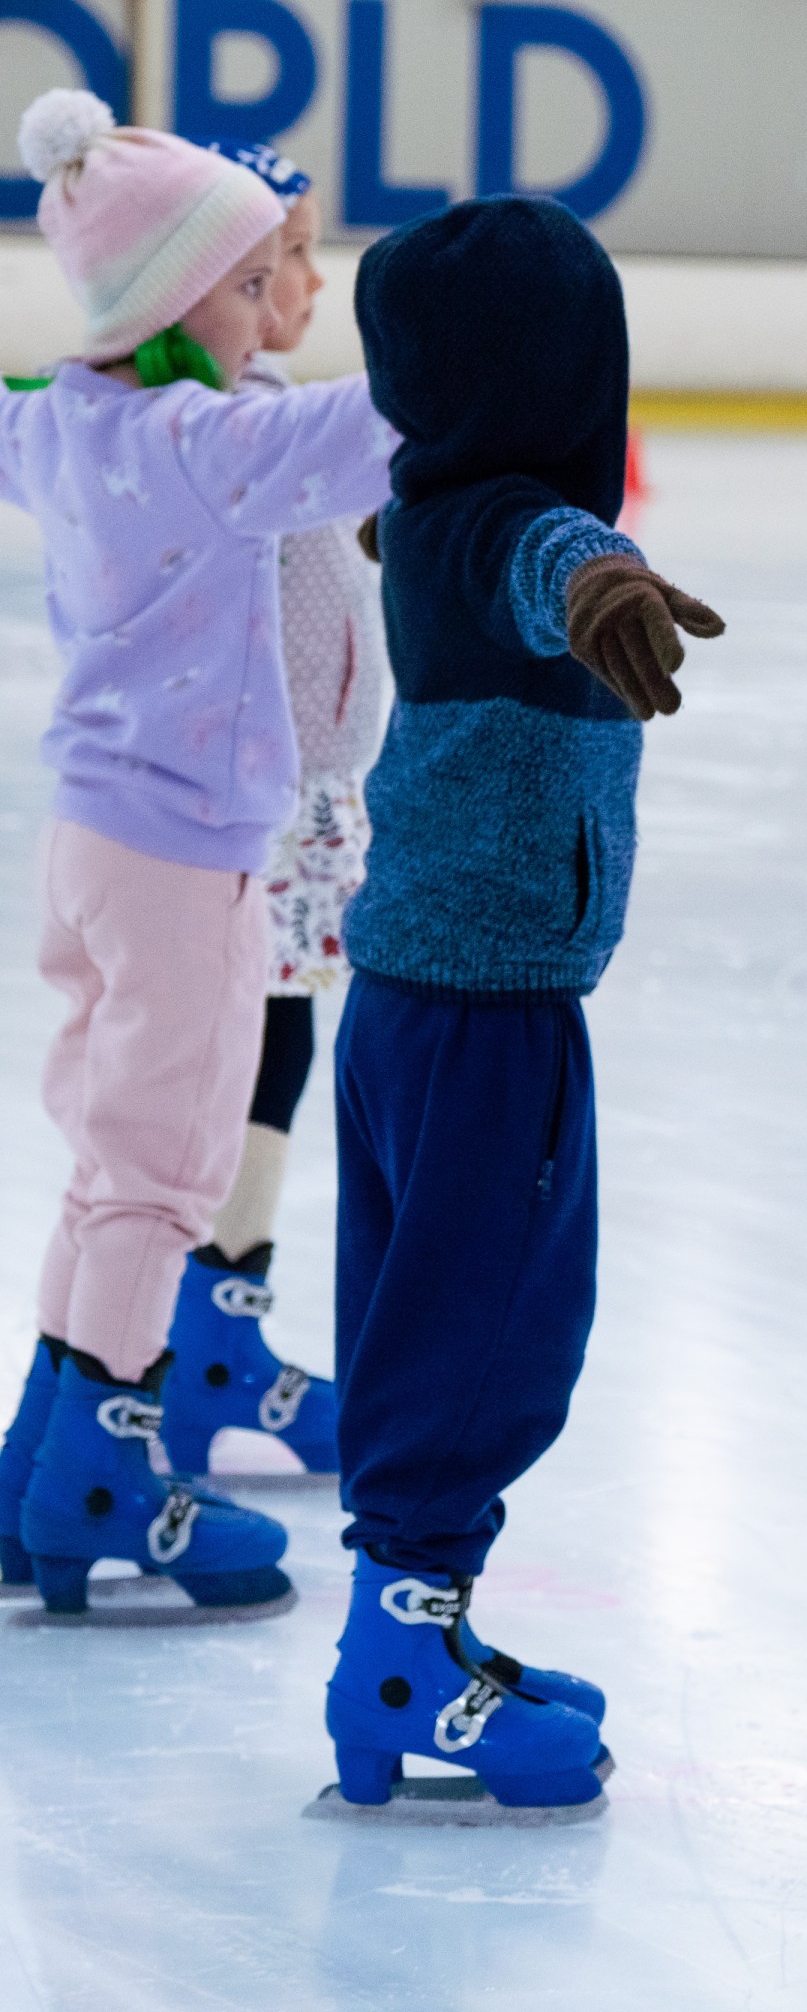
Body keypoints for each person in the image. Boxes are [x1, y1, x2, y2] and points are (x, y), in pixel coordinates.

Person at [318, 196, 725, 1819]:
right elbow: (538, 556)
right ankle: (407, 1656)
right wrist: (603, 582)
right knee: (494, 1335)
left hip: (416, 995)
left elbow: (481, 540)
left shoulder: (425, 506)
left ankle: (411, 1633)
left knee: (421, 1319)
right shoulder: (502, 525)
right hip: (486, 1006)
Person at [0, 89, 394, 1618]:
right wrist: (496, 331)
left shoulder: (63, 423)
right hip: (183, 861)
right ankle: (102, 1477)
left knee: (113, 1164)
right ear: (173, 304)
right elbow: (365, 431)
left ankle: (44, 1444)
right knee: (167, 1168)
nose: (269, 303)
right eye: (249, 280)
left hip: (92, 840)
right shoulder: (200, 442)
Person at [159, 140, 388, 1479]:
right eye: (288, 253)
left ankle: (220, 1322)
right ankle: (206, 1335)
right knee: (256, 1052)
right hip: (260, 797)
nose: (311, 276)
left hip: (299, 791)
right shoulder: (233, 419)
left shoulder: (259, 400)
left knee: (274, 1046)